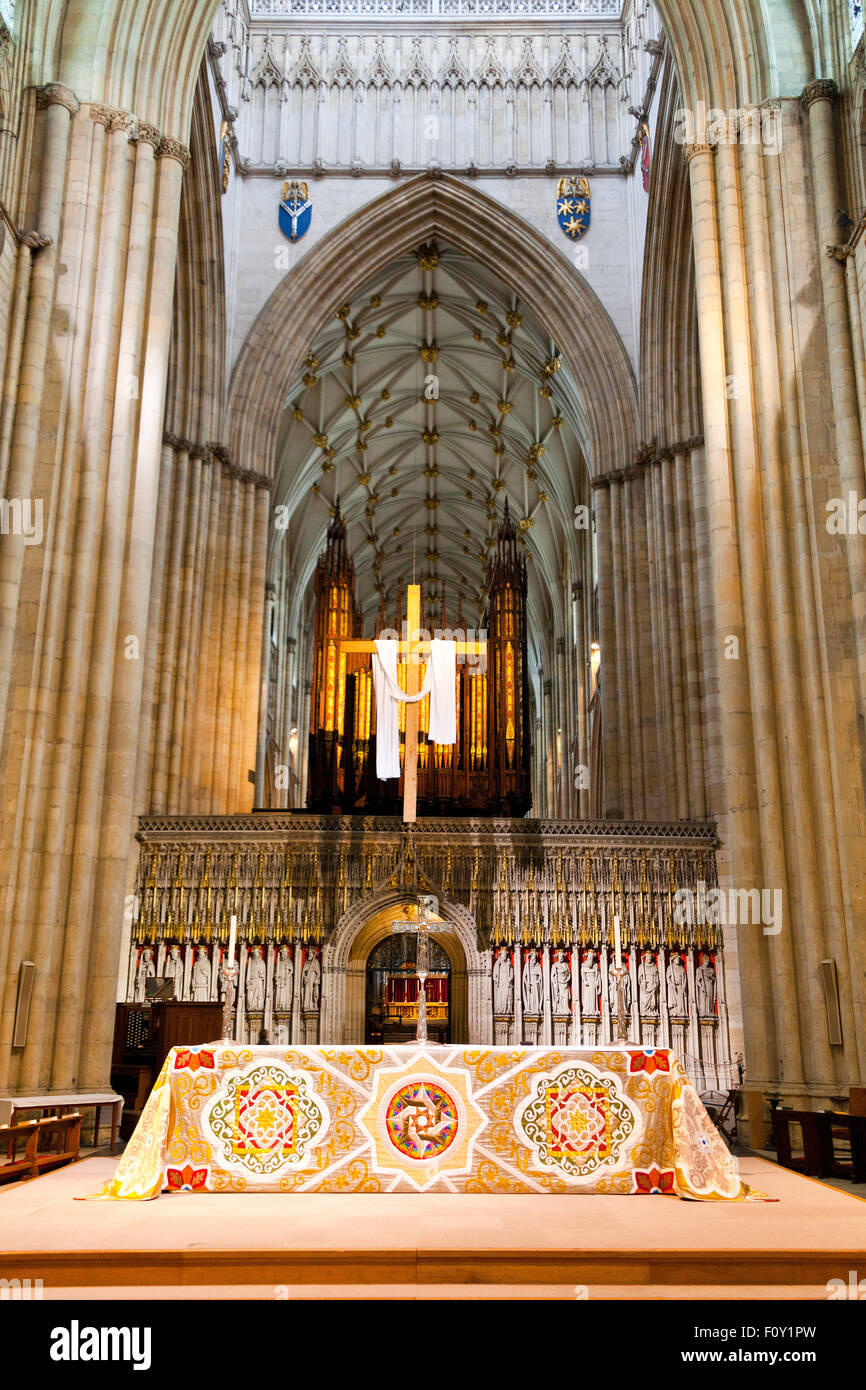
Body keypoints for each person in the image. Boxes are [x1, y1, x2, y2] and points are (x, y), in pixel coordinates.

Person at [521, 947, 543, 1015]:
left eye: (535, 958)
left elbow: (540, 976)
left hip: (536, 983)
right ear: (530, 958)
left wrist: (538, 980)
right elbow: (524, 977)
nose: (534, 959)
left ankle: (537, 1008)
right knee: (530, 996)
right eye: (533, 958)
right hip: (529, 983)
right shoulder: (527, 966)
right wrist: (526, 983)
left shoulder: (538, 966)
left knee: (536, 995)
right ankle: (529, 1008)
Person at [493, 946, 514, 1015]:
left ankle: (506, 1009)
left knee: (507, 995)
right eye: (503, 955)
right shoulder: (498, 963)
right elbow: (495, 974)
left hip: (506, 982)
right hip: (500, 982)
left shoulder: (508, 964)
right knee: (500, 996)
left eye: (505, 955)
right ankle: (500, 1009)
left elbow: (511, 974)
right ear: (500, 955)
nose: (504, 956)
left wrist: (509, 979)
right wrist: (496, 979)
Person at [245, 945, 266, 1012]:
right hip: (252, 981)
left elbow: (264, 974)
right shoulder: (251, 962)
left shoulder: (262, 962)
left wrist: (262, 975)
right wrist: (248, 980)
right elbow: (248, 973)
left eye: (256, 953)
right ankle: (251, 1006)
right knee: (250, 995)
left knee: (259, 994)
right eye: (254, 953)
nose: (255, 954)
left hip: (259, 981)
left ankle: (259, 1006)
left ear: (259, 953)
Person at [551, 948, 571, 1016]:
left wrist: (567, 979)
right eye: (560, 956)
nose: (561, 958)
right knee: (559, 996)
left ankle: (565, 1008)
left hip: (565, 983)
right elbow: (553, 976)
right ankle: (559, 1009)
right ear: (557, 957)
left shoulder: (566, 965)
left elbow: (569, 974)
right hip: (558, 982)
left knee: (565, 996)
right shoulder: (555, 965)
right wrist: (555, 983)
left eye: (562, 956)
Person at [301, 947, 321, 1012]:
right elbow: (303, 972)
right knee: (307, 991)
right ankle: (306, 1006)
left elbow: (318, 973)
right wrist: (304, 977)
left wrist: (316, 979)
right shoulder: (306, 963)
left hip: (313, 979)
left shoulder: (316, 962)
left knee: (313, 991)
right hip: (307, 979)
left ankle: (313, 1005)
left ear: (313, 954)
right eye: (309, 953)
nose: (309, 954)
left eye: (311, 953)